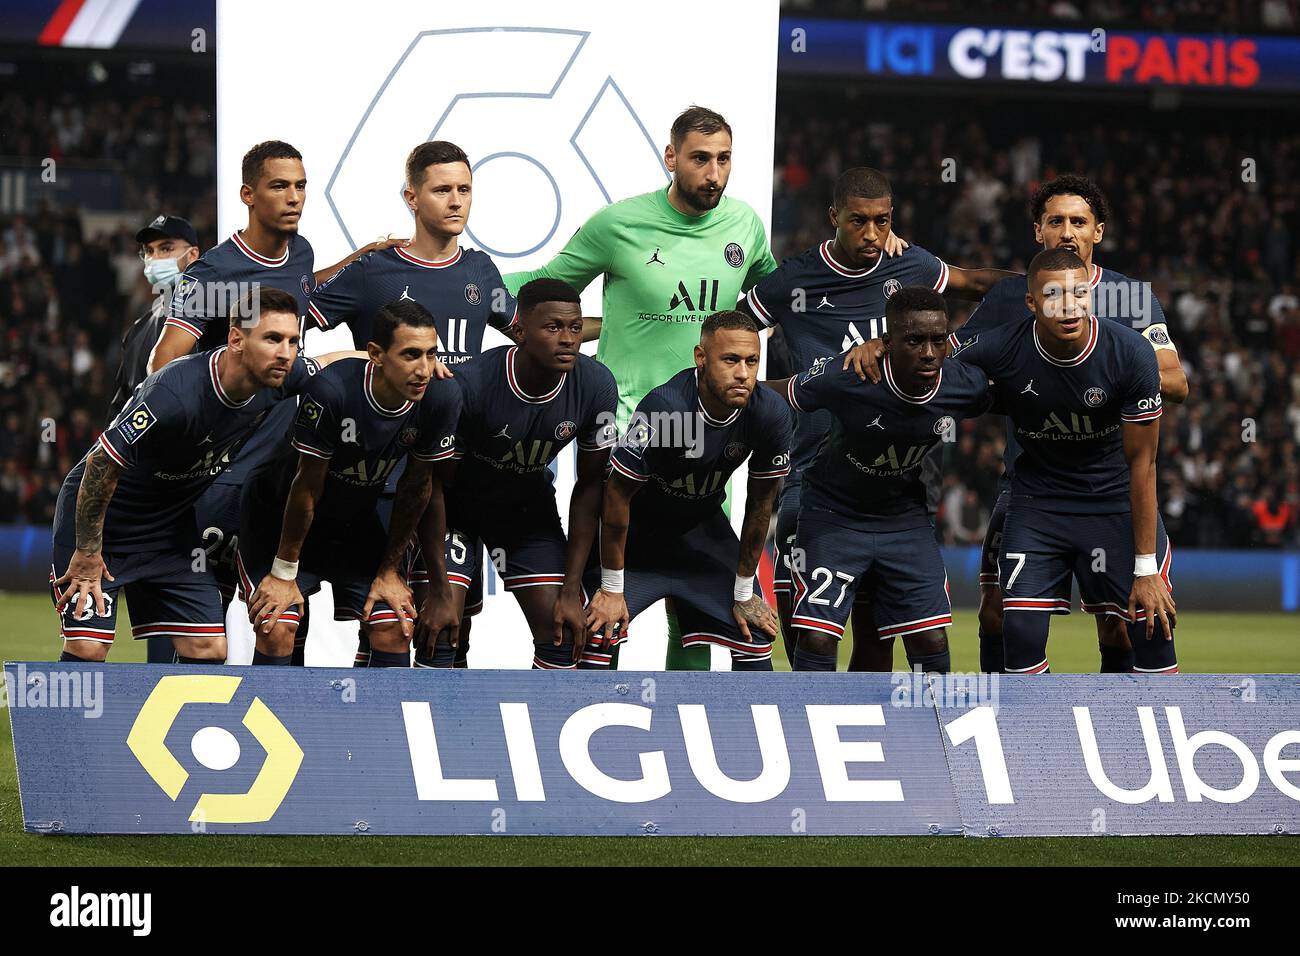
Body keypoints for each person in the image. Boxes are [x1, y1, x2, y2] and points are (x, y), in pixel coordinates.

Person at [506, 106, 874, 670]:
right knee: (603, 608)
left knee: (697, 610)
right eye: (700, 159)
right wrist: (454, 280)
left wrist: (873, 258)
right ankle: (585, 700)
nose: (714, 173)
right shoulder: (618, 225)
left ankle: (680, 719)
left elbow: (785, 296)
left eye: (724, 159)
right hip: (625, 430)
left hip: (711, 435)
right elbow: (537, 287)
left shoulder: (744, 225)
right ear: (671, 158)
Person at [740, 166, 1016, 667]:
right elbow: (735, 330)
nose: (871, 234)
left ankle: (876, 717)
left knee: (876, 634)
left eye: (882, 221)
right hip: (812, 473)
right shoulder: (795, 279)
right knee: (806, 634)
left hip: (898, 480)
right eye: (858, 221)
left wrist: (1057, 288)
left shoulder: (910, 265)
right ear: (834, 217)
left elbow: (978, 283)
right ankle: (809, 709)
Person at [945, 175, 1187, 673]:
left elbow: (1177, 382)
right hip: (1029, 477)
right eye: (1056, 221)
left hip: (1107, 479)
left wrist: (1103, 378)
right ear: (1038, 231)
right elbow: (954, 363)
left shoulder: (1130, 298)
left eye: (1079, 221)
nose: (1067, 231)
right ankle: (1006, 710)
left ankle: (1117, 713)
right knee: (997, 612)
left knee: (1117, 623)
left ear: (1098, 231)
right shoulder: (1011, 297)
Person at [50, 288, 348, 663]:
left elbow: (332, 361)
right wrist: (87, 551)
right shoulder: (175, 393)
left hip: (167, 530)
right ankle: (50, 704)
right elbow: (100, 465)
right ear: (236, 339)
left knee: (209, 649)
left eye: (292, 341)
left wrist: (384, 361)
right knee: (89, 647)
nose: (286, 353)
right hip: (105, 526)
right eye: (273, 339)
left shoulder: (279, 376)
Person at [305, 139, 517, 665]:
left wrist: (620, 325)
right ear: (411, 198)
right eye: (442, 190)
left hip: (455, 475)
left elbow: (535, 334)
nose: (456, 201)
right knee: (386, 624)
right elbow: (289, 317)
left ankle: (442, 715)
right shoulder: (373, 272)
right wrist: (348, 356)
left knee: (448, 628)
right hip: (384, 476)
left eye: (464, 189)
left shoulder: (480, 272)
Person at [765, 287, 992, 672]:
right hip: (833, 514)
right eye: (914, 341)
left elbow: (1018, 387)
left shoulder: (964, 384)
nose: (928, 352)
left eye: (938, 340)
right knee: (817, 639)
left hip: (903, 518)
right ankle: (809, 710)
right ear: (887, 342)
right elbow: (778, 393)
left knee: (932, 640)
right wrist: (722, 389)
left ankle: (929, 713)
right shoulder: (850, 374)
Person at [239, 298, 461, 667]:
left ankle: (381, 710)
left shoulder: (441, 395)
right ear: (375, 354)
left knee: (395, 625)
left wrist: (389, 571)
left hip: (353, 524)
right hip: (278, 520)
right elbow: (306, 488)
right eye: (410, 355)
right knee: (277, 626)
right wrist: (283, 573)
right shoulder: (332, 391)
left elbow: (416, 488)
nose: (424, 369)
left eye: (431, 354)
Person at [413, 279, 617, 669]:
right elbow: (431, 482)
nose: (568, 339)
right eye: (553, 327)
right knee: (440, 635)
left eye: (575, 328)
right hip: (454, 511)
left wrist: (571, 589)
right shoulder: (468, 385)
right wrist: (439, 589)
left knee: (563, 636)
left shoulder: (596, 385)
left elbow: (591, 485)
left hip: (524, 512)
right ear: (520, 331)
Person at [583, 311, 791, 671]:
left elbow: (761, 504)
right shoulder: (666, 409)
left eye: (751, 361)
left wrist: (744, 592)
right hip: (638, 535)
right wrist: (612, 588)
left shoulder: (768, 413)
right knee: (598, 631)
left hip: (701, 531)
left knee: (755, 635)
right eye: (730, 360)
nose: (743, 373)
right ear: (701, 357)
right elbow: (616, 494)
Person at [108, 214, 200, 664]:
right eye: (148, 252)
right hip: (149, 489)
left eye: (167, 249)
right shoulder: (142, 328)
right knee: (162, 620)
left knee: (202, 624)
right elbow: (120, 411)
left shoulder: (215, 322)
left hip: (204, 486)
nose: (154, 260)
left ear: (193, 256)